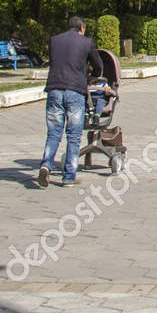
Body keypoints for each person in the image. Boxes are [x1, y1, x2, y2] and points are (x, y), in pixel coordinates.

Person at [38, 16, 101, 188]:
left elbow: (55, 62)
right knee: (73, 135)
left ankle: (46, 165)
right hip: (75, 91)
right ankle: (68, 177)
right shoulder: (86, 42)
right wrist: (92, 75)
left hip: (54, 89)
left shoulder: (54, 40)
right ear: (81, 28)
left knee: (53, 133)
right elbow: (98, 65)